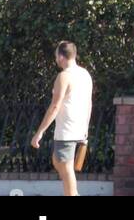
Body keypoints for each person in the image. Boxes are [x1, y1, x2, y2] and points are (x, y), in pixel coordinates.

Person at [30, 40, 92, 196]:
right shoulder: (85, 74)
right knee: (59, 162)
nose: (56, 58)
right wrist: (85, 128)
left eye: (56, 55)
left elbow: (55, 106)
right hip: (78, 128)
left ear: (61, 57)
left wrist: (40, 132)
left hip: (66, 130)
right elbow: (89, 104)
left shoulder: (64, 76)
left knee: (65, 168)